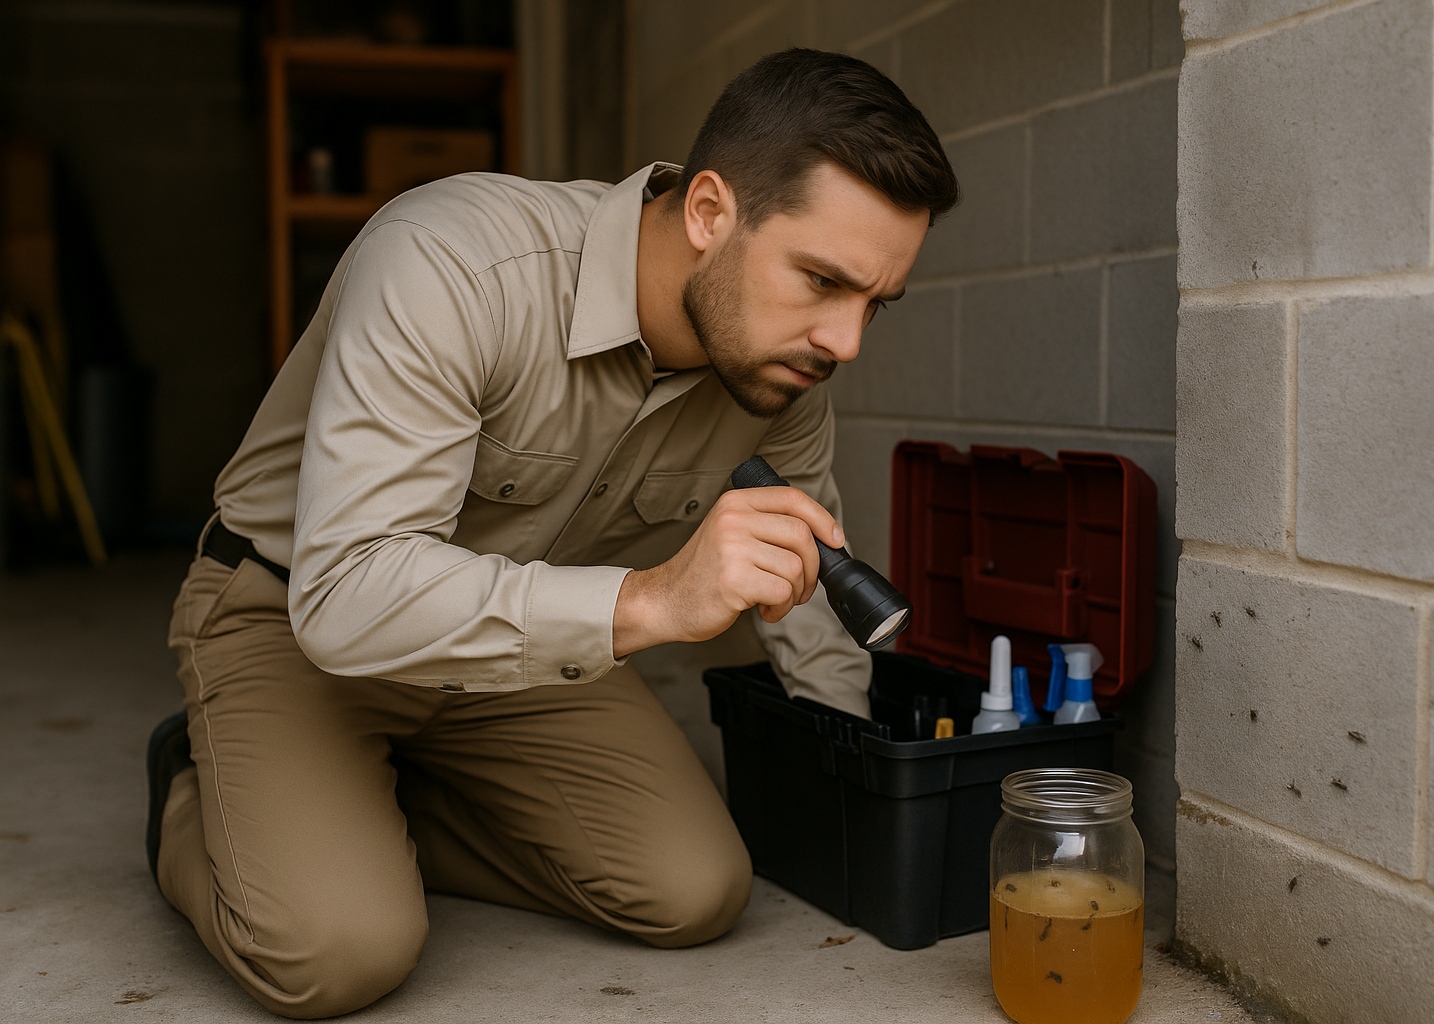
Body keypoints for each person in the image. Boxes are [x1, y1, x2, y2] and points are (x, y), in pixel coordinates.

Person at [145, 47, 958, 1018]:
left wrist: (870, 793)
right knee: (338, 952)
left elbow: (809, 600)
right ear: (709, 213)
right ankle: (199, 792)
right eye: (823, 280)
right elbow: (347, 593)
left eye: (874, 302)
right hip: (294, 617)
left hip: (515, 653)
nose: (847, 341)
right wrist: (654, 598)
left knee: (695, 888)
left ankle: (361, 811)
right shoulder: (452, 264)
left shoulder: (779, 375)